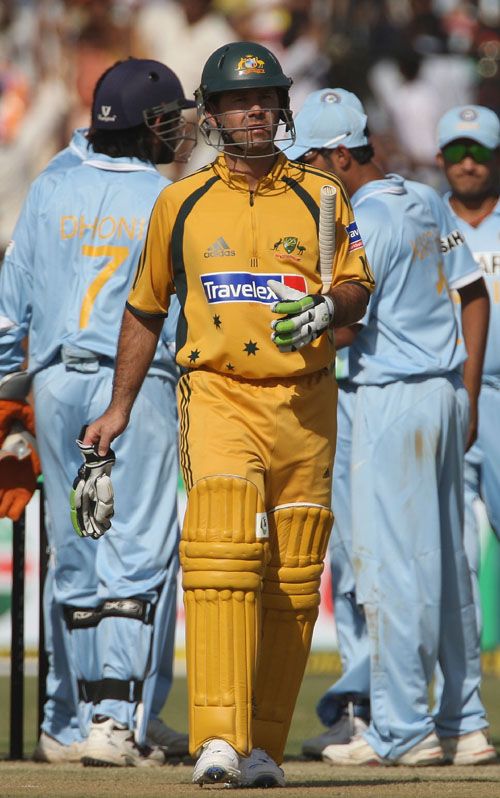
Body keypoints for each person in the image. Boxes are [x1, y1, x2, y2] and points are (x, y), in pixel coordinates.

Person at [82, 41, 374, 788]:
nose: (253, 111)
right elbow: (145, 310)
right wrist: (117, 408)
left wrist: (324, 309)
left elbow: (355, 288)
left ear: (281, 110)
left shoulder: (323, 196)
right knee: (220, 547)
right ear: (210, 115)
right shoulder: (180, 203)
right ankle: (218, 737)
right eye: (237, 101)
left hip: (305, 404)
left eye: (265, 99)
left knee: (295, 570)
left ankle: (262, 750)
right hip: (217, 394)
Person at [285, 92, 495, 766]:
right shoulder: (426, 199)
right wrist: (464, 392)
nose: (307, 174)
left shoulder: (360, 223)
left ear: (341, 153)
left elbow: (348, 326)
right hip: (442, 393)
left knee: (393, 574)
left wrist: (289, 334)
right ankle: (464, 723)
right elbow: (474, 293)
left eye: (312, 160)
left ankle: (402, 730)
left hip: (388, 399)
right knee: (449, 573)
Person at [0, 57, 196, 766]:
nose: (181, 129)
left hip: (55, 384)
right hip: (131, 386)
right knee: (136, 549)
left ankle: (74, 716)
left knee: (77, 550)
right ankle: (115, 718)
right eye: (173, 117)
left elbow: (5, 310)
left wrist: (9, 398)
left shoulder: (51, 186)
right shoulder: (168, 197)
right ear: (151, 125)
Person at [436, 105, 500, 629]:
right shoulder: (422, 219)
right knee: (449, 546)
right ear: (439, 158)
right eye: (457, 150)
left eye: (478, 151)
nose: (468, 163)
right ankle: (459, 694)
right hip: (444, 392)